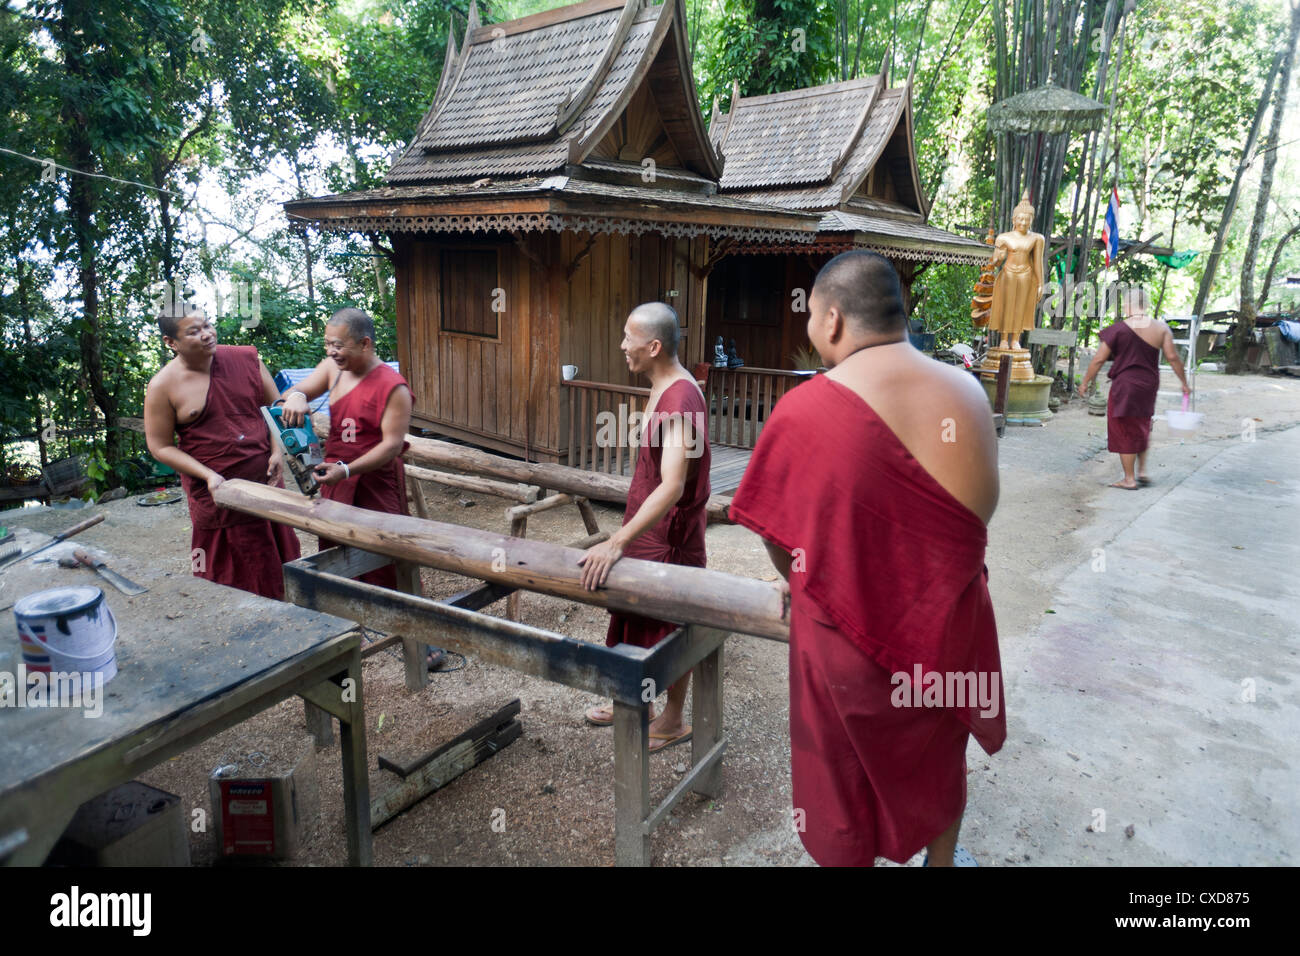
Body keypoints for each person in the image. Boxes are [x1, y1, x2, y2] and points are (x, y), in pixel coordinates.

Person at [729, 251, 1006, 867]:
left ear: (831, 320)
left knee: (839, 770)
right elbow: (979, 513)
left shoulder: (802, 409)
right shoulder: (968, 392)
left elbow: (780, 537)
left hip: (843, 638)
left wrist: (807, 578)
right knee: (939, 753)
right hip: (946, 624)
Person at [578, 303, 710, 753]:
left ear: (653, 346)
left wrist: (616, 541)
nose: (622, 346)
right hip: (648, 526)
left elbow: (673, 485)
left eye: (627, 338)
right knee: (635, 609)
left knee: (669, 619)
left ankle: (673, 720)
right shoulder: (662, 385)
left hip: (671, 536)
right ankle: (638, 699)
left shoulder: (680, 399)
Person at [144, 303, 301, 599]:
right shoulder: (162, 386)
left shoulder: (246, 359)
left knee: (282, 564)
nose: (206, 335)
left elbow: (275, 407)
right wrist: (208, 475)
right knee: (228, 580)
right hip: (216, 492)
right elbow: (159, 446)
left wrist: (276, 451)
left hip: (264, 480)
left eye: (207, 325)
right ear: (171, 343)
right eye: (194, 331)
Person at [279, 308, 414, 590]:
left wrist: (347, 470)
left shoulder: (393, 387)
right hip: (334, 477)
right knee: (335, 549)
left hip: (374, 481)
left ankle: (390, 619)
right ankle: (344, 614)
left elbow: (392, 446)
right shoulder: (333, 370)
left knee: (381, 552)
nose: (331, 352)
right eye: (327, 344)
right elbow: (292, 394)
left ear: (365, 343)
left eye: (338, 345)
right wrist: (298, 397)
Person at [1077, 287, 1190, 489]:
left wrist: (1085, 381)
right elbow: (1173, 357)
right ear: (1146, 305)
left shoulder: (1119, 329)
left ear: (1127, 306)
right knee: (1143, 423)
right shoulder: (1161, 328)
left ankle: (1129, 479)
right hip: (1148, 384)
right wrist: (1184, 383)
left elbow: (1099, 359)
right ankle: (1142, 471)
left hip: (1126, 385)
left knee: (1124, 428)